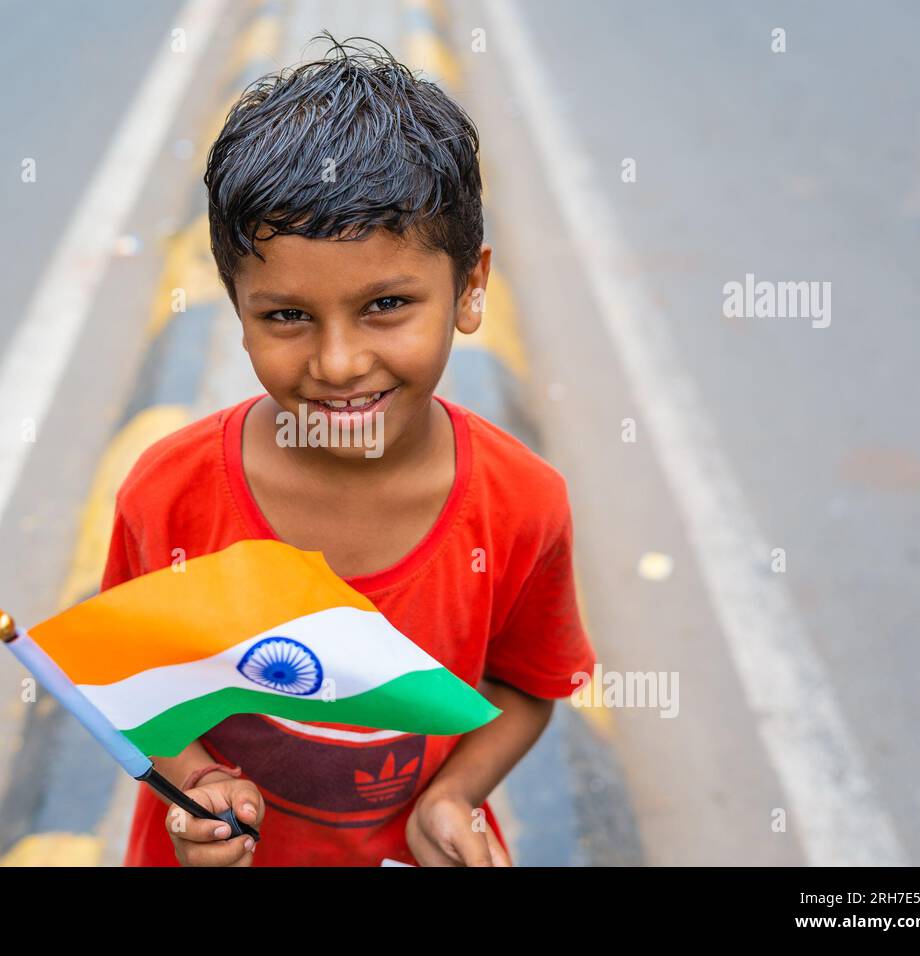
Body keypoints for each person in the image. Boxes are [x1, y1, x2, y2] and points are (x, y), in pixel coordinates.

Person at [101, 35, 596, 866]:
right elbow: (128, 674)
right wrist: (194, 784)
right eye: (286, 316)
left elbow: (527, 684)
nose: (337, 363)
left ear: (471, 290)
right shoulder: (169, 492)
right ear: (237, 306)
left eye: (387, 304)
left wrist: (454, 794)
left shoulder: (522, 503)